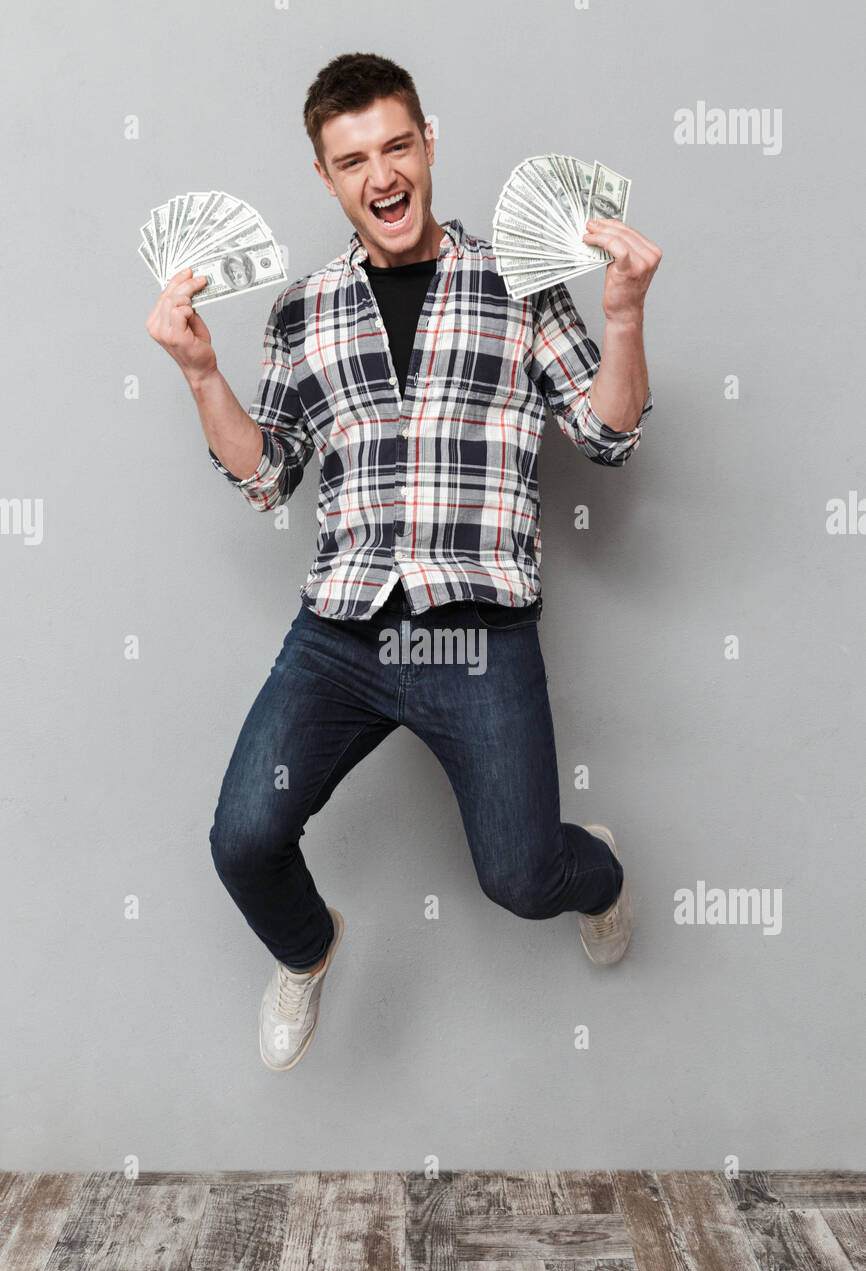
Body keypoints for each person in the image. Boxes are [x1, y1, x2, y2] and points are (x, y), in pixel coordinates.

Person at [145, 51, 662, 1072]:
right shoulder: (304, 309)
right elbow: (268, 475)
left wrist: (621, 316)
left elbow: (605, 437)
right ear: (325, 178)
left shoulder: (517, 283)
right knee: (241, 839)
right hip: (339, 636)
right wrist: (202, 375)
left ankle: (591, 869)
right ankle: (309, 949)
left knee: (521, 878)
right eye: (351, 160)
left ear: (427, 147)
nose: (378, 175)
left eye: (393, 147)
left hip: (477, 636)